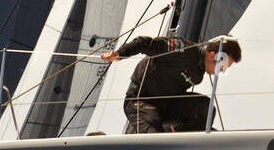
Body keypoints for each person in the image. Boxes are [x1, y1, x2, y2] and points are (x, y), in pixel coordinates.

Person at [101, 35, 242, 134]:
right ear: (211, 55)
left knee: (206, 107)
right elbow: (143, 43)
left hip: (166, 106)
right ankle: (165, 143)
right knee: (154, 134)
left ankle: (185, 142)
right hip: (140, 101)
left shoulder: (198, 74)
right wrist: (120, 53)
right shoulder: (183, 50)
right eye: (223, 65)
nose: (222, 71)